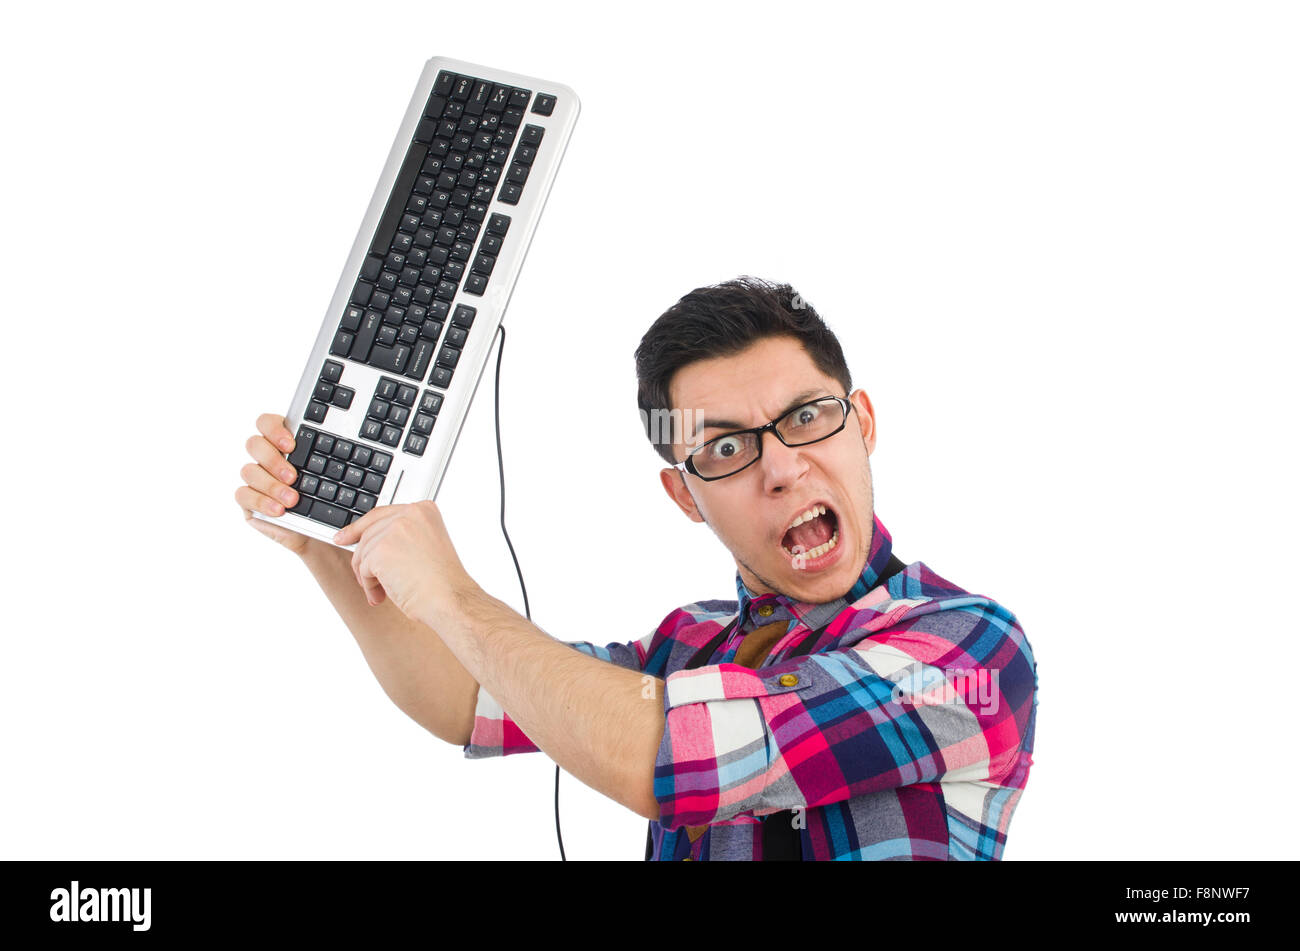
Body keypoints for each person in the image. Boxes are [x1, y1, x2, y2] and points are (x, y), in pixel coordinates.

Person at [235, 276, 1038, 860]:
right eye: (724, 448)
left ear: (860, 422)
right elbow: (468, 696)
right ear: (684, 496)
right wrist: (326, 540)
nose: (784, 468)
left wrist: (453, 593)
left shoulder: (970, 647)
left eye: (805, 417)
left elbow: (671, 755)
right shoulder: (685, 648)